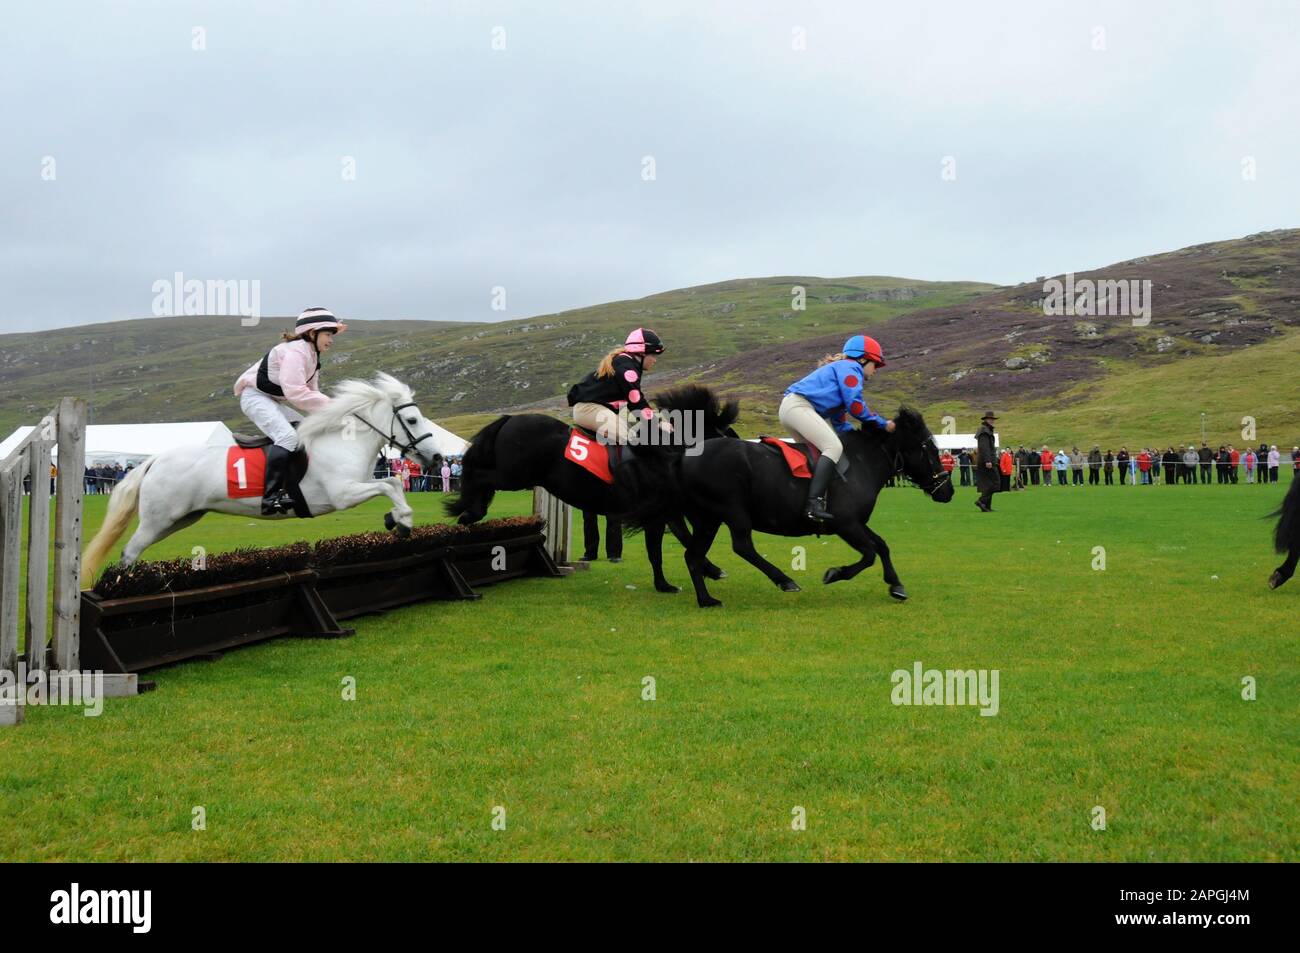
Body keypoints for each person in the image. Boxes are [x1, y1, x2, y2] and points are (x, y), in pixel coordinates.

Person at [233, 307, 344, 514]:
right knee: (287, 437)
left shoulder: (312, 356)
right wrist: (334, 406)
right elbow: (296, 393)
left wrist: (330, 417)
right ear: (313, 333)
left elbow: (313, 394)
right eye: (328, 334)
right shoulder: (296, 352)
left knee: (304, 431)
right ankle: (270, 498)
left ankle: (290, 488)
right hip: (255, 398)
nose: (331, 340)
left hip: (271, 400)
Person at [778, 334, 895, 521]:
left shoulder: (841, 371)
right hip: (799, 407)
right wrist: (883, 423)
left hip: (792, 409)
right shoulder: (852, 368)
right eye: (876, 364)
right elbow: (855, 405)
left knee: (816, 455)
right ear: (863, 359)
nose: (876, 370)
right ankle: (814, 503)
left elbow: (840, 424)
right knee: (833, 448)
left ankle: (801, 500)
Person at [568, 328, 672, 453]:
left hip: (595, 409)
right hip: (590, 410)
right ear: (642, 353)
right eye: (654, 355)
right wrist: (658, 423)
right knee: (630, 441)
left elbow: (632, 404)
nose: (655, 360)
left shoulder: (626, 362)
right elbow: (636, 402)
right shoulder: (628, 369)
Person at [974, 412, 999, 512]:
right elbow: (984, 447)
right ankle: (981, 501)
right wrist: (988, 460)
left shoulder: (987, 430)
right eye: (990, 419)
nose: (992, 420)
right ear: (986, 420)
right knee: (995, 483)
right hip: (987, 461)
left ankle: (986, 506)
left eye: (993, 419)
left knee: (988, 484)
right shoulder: (984, 431)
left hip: (987, 460)